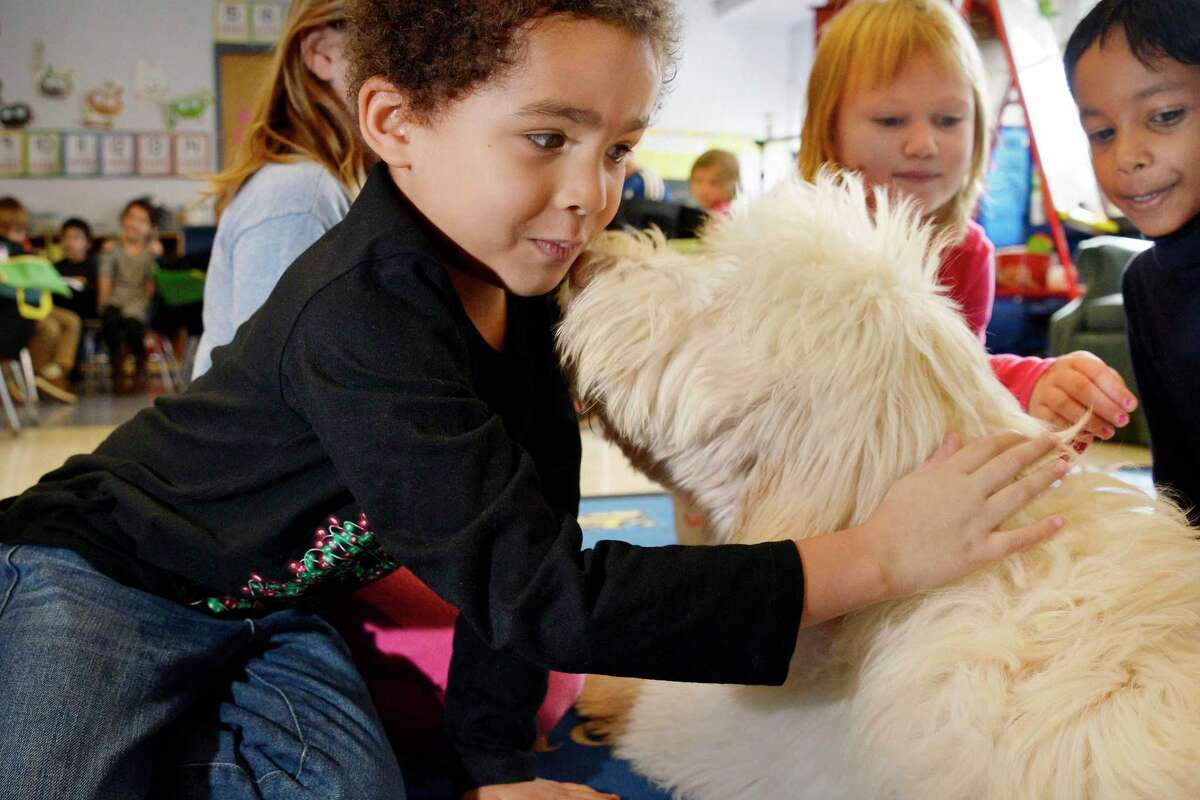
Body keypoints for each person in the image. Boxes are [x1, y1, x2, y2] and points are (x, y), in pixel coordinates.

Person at [0, 2, 1070, 798]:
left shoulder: (527, 290)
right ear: (395, 120)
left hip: (275, 610)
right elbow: (545, 590)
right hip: (102, 575)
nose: (588, 193)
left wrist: (492, 768)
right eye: (548, 138)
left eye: (617, 150)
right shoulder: (359, 312)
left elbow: (523, 553)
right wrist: (877, 555)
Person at [798, 0, 1138, 439]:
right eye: (890, 120)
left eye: (949, 119)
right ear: (829, 128)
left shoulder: (963, 249)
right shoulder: (802, 245)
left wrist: (1034, 385)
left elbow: (954, 382)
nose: (923, 144)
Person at [1065, 0, 1200, 524]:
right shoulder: (1144, 284)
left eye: (1164, 116)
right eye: (1102, 132)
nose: (1126, 155)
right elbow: (1178, 484)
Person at [192, 0, 367, 379]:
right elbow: (271, 387)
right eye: (388, 42)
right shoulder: (301, 194)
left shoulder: (326, 184)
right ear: (322, 52)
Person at [0, 196, 81, 403]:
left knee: (71, 321)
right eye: (15, 230)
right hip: (13, 310)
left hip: (33, 303)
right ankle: (32, 377)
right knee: (50, 328)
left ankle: (54, 373)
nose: (20, 235)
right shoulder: (5, 250)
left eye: (22, 230)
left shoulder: (24, 248)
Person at [97, 198, 160, 393]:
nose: (134, 224)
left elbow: (152, 285)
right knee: (111, 321)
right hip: (116, 298)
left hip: (139, 300)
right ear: (123, 220)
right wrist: (102, 304)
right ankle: (117, 370)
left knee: (133, 326)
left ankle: (141, 367)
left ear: (151, 228)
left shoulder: (151, 252)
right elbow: (105, 278)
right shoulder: (111, 248)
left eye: (142, 220)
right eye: (131, 218)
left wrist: (157, 257)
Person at [688, 148, 739, 213]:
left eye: (714, 183)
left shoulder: (724, 214)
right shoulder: (714, 211)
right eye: (699, 181)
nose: (704, 189)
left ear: (731, 185)